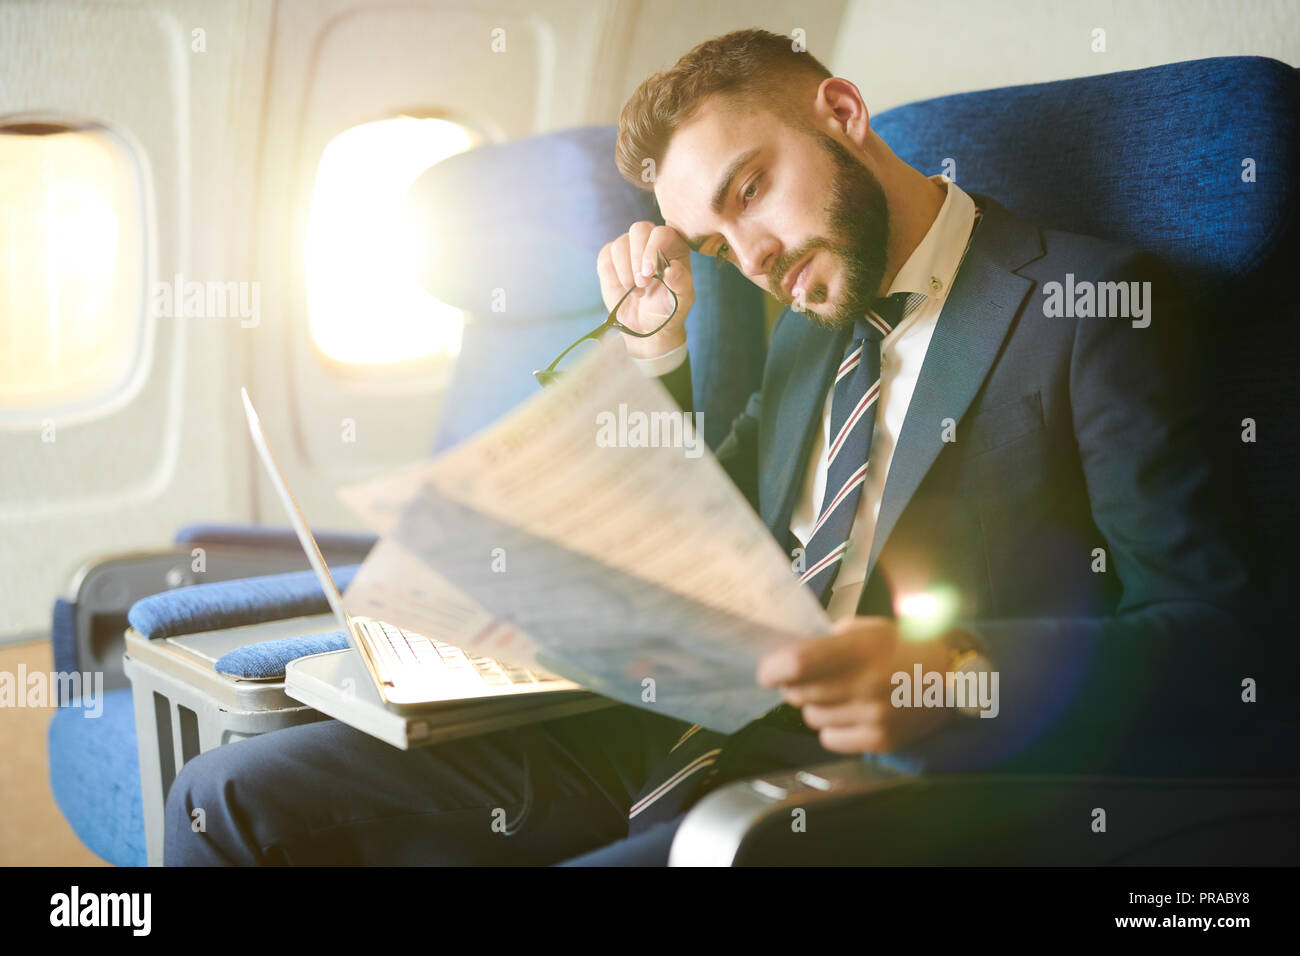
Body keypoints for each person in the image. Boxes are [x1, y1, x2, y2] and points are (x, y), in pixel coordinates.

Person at [164, 28, 1258, 866]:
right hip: (659, 722)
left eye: (750, 191)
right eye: (711, 239)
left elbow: (1226, 642)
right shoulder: (802, 318)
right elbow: (711, 524)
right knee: (225, 797)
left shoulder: (1091, 305)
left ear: (841, 111)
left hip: (871, 779)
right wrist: (653, 358)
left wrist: (963, 673)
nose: (754, 255)